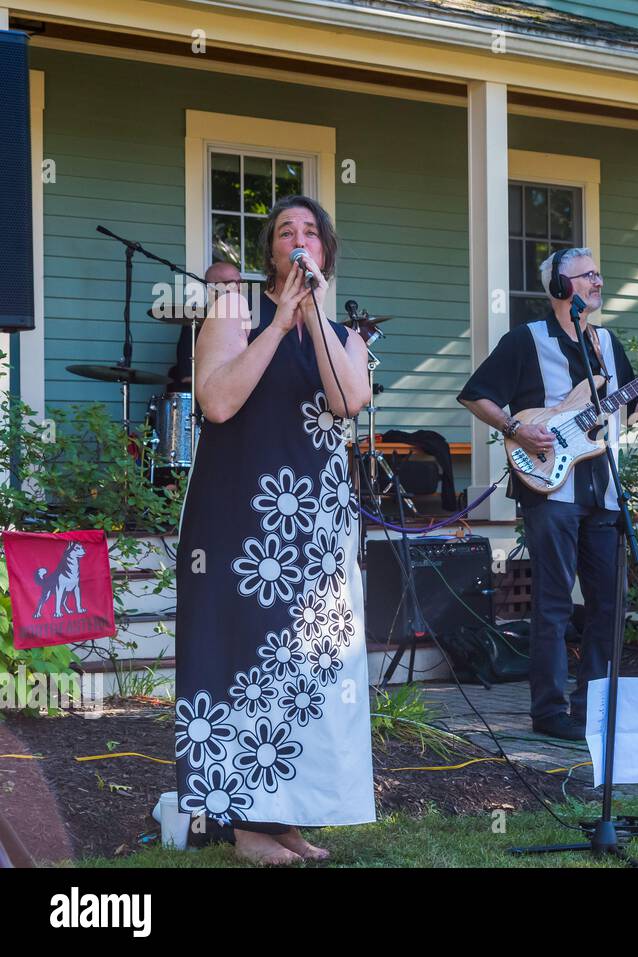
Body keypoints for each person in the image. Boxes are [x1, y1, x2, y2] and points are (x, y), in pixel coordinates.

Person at [175, 195, 375, 864]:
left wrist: (312, 319)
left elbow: (347, 400)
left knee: (307, 666)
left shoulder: (343, 334)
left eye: (310, 232)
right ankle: (246, 826)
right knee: (242, 658)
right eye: (285, 231)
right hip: (243, 522)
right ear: (269, 251)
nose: (298, 240)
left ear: (325, 252)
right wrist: (278, 319)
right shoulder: (235, 308)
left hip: (315, 525)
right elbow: (219, 398)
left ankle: (287, 816)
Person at [458, 247, 638, 740]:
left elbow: (628, 409)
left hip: (603, 491)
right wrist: (515, 428)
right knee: (554, 601)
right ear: (561, 287)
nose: (598, 282)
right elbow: (475, 394)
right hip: (549, 488)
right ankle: (548, 712)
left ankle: (594, 707)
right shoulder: (527, 340)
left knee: (608, 603)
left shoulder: (605, 342)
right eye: (588, 276)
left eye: (599, 274)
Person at [168, 261, 241, 390]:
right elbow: (187, 376)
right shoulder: (195, 322)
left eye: (240, 282)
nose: (238, 288)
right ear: (212, 289)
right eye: (231, 283)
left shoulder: (248, 319)